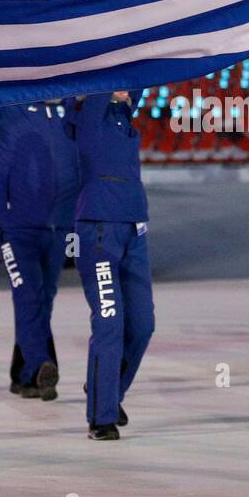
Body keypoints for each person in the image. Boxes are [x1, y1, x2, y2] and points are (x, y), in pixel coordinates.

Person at [0, 100, 79, 401]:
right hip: (16, 226)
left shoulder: (73, 110)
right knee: (27, 295)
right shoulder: (6, 106)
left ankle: (25, 375)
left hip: (58, 225)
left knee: (43, 300)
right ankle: (41, 365)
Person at [68, 91, 154, 440]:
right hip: (99, 231)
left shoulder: (123, 116)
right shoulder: (86, 118)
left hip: (135, 228)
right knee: (109, 324)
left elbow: (137, 81)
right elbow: (103, 73)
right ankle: (101, 418)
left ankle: (106, 390)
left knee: (143, 325)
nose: (125, 88)